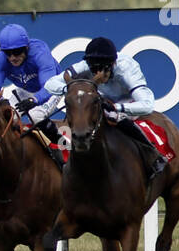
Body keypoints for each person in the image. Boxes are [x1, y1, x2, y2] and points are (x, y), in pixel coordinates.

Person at [43, 36, 168, 180]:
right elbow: (50, 84)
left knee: (113, 116)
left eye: (102, 69)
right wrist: (76, 89)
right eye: (94, 69)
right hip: (98, 98)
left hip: (126, 101)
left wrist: (118, 107)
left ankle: (152, 154)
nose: (98, 74)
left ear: (113, 63)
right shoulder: (84, 65)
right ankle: (66, 156)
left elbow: (147, 105)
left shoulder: (126, 69)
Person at [0, 23, 64, 164]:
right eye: (8, 53)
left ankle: (64, 147)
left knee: (36, 115)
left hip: (52, 89)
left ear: (26, 47)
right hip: (27, 91)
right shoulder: (1, 59)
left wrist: (34, 100)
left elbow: (48, 87)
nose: (12, 57)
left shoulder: (40, 54)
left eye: (17, 51)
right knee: (6, 116)